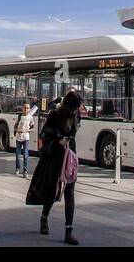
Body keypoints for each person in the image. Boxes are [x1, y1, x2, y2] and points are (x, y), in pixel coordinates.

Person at [25, 90, 82, 244]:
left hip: (69, 156)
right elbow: (44, 134)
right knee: (51, 189)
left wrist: (68, 140)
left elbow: (74, 133)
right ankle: (44, 217)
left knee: (70, 192)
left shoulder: (76, 116)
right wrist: (58, 139)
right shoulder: (55, 115)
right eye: (75, 107)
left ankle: (69, 231)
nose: (76, 110)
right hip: (55, 157)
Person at [13, 102, 34, 177]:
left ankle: (25, 171)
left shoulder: (31, 118)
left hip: (26, 138)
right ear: (22, 108)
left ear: (29, 109)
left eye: (27, 108)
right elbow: (14, 127)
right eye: (25, 107)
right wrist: (17, 130)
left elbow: (32, 128)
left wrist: (26, 131)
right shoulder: (19, 116)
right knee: (18, 155)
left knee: (25, 155)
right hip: (18, 138)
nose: (26, 109)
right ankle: (17, 169)